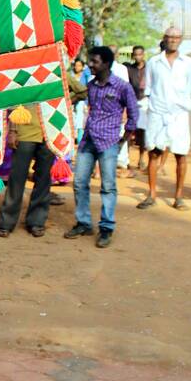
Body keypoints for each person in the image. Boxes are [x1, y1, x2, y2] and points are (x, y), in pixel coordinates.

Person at [65, 45, 138, 248]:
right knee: (79, 182)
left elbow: (133, 114)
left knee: (108, 186)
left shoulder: (122, 86)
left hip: (109, 143)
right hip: (88, 141)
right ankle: (83, 222)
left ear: (106, 63)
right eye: (90, 61)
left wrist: (123, 140)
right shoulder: (91, 84)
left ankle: (106, 228)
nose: (90, 64)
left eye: (94, 61)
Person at [138, 26, 191, 210]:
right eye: (170, 37)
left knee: (181, 155)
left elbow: (190, 92)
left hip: (179, 114)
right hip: (157, 112)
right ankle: (152, 194)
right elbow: (148, 89)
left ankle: (178, 197)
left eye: (176, 37)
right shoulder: (154, 62)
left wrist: (189, 116)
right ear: (164, 38)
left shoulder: (188, 63)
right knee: (154, 153)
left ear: (181, 40)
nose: (173, 40)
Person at [0, 108, 54, 238]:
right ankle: (6, 223)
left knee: (43, 180)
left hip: (50, 132)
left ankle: (36, 222)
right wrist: (12, 130)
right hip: (25, 131)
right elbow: (15, 100)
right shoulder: (26, 85)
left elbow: (80, 91)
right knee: (16, 179)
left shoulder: (59, 86)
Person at [126, 45, 148, 170]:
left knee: (143, 133)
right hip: (132, 101)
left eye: (140, 54)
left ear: (143, 55)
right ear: (133, 55)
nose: (138, 57)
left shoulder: (148, 68)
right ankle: (127, 159)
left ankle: (141, 159)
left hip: (145, 102)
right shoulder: (130, 69)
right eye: (136, 55)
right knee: (129, 130)